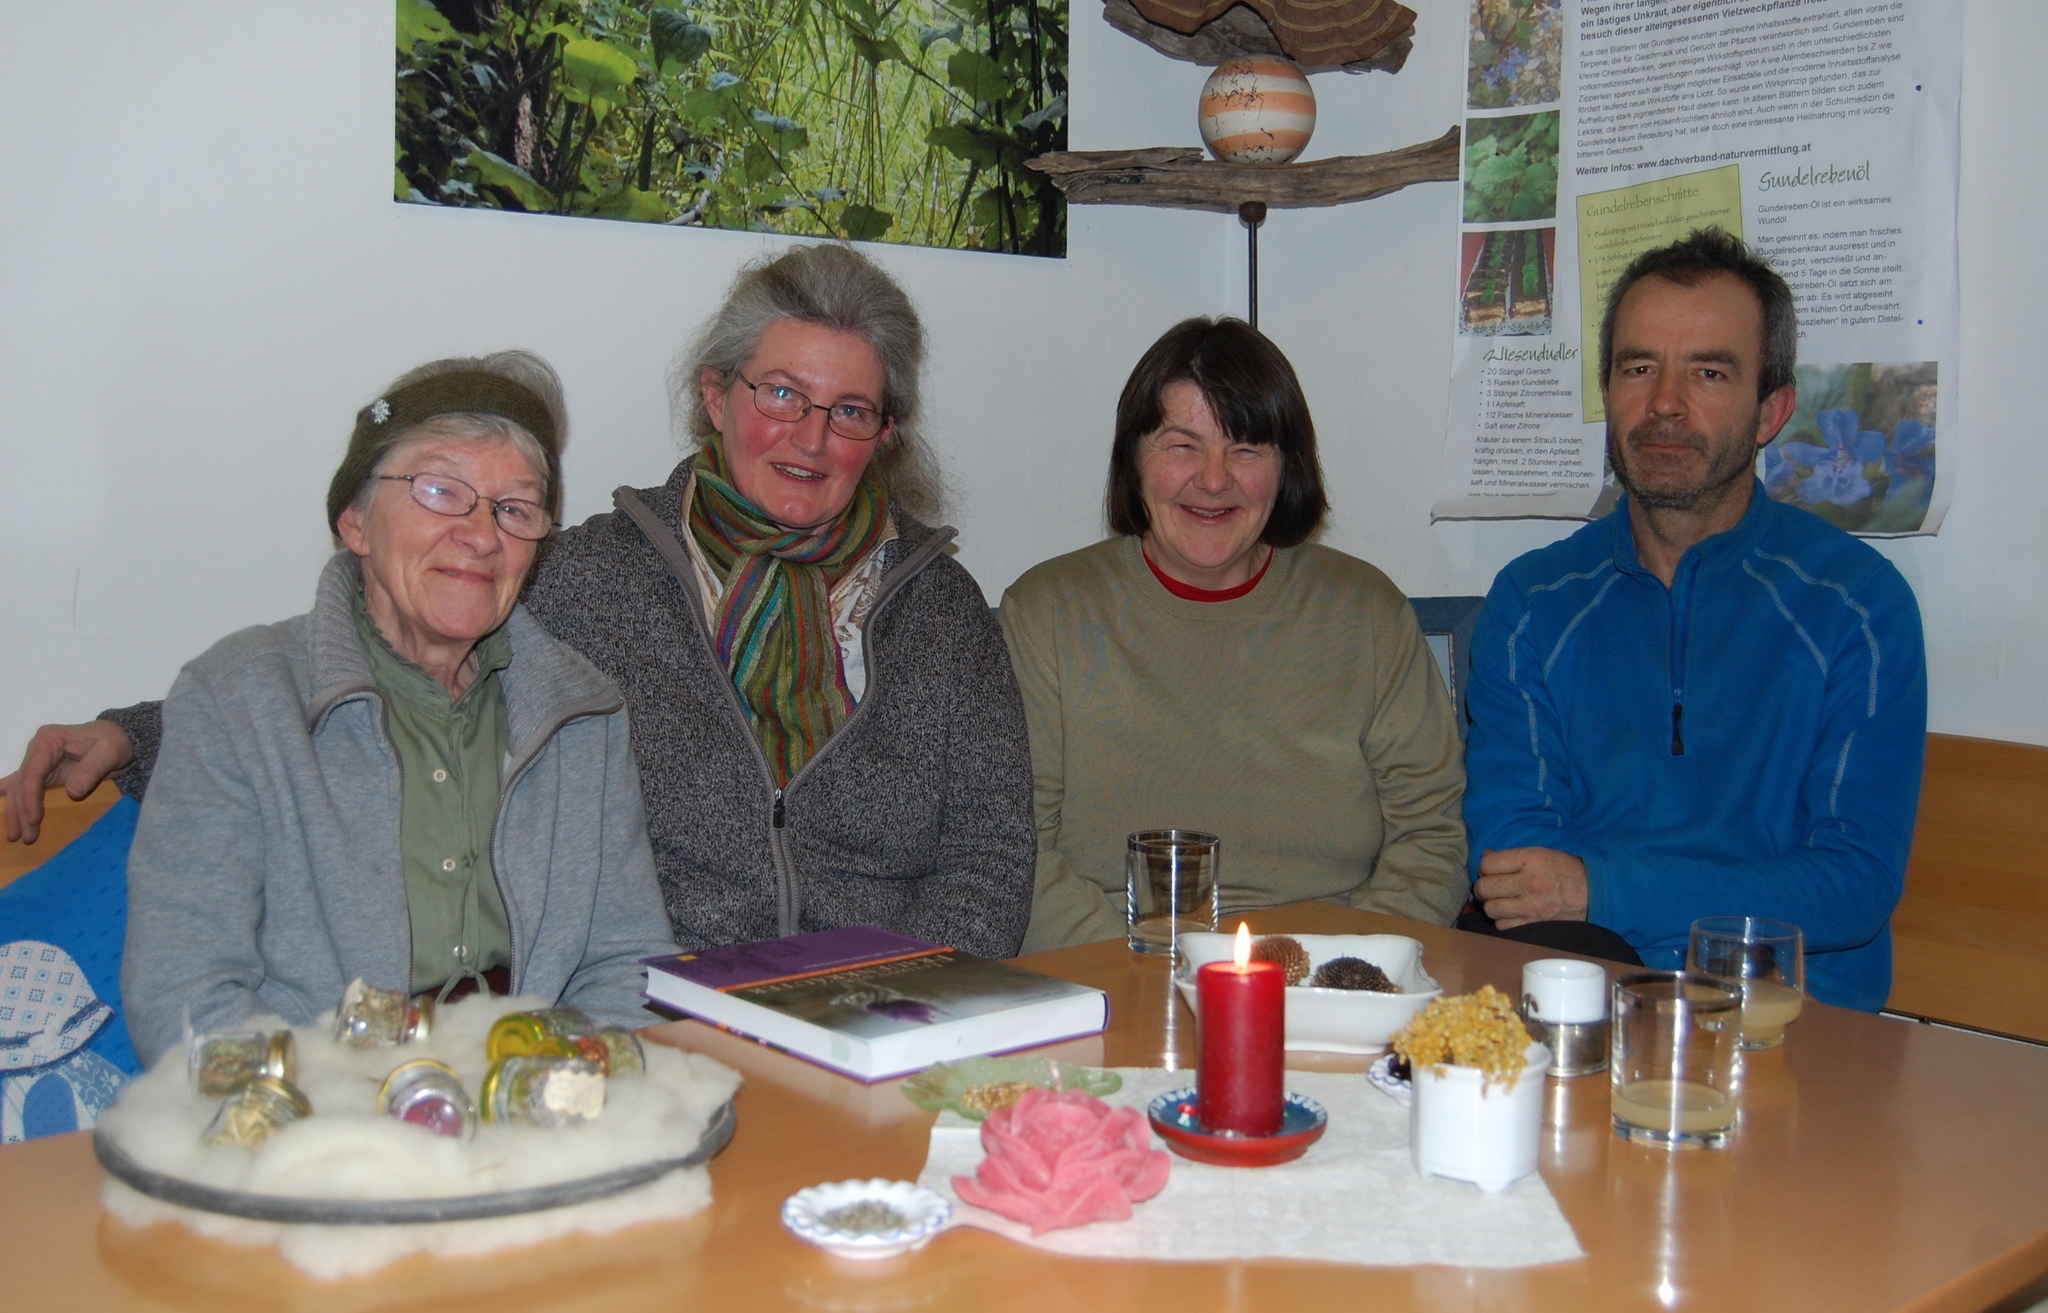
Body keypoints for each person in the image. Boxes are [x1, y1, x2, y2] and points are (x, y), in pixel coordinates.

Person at [4, 244, 1036, 959]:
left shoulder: (941, 612)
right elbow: (390, 666)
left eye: (847, 410)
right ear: (715, 398)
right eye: (779, 394)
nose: (809, 438)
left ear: (884, 437)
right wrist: (135, 735)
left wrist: (894, 997)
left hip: (890, 1023)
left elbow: (989, 858)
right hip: (655, 1011)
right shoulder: (588, 577)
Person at [123, 355, 676, 1064]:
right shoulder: (237, 700)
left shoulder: (582, 710)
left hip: (535, 1102)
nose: (481, 536)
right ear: (354, 522)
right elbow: (185, 999)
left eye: (515, 508)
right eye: (441, 491)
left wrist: (550, 1095)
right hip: (313, 1123)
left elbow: (627, 966)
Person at [1461, 227, 1927, 1011]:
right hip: (1589, 997)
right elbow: (1520, 878)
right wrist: (1593, 905)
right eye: (1639, 368)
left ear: (1771, 410)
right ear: (1607, 392)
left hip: (1792, 1028)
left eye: (1709, 372)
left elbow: (1852, 886)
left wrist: (1602, 885)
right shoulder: (1532, 603)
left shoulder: (1858, 608)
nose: (1665, 404)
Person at [999, 317, 1468, 954]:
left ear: (1286, 467)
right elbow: (1014, 845)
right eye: (1181, 445)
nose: (1214, 480)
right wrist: (1144, 979)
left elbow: (1432, 836)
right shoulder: (1045, 615)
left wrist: (1349, 972)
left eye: (1246, 448)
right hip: (1115, 972)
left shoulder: (1369, 615)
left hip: (1332, 984)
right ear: (1134, 459)